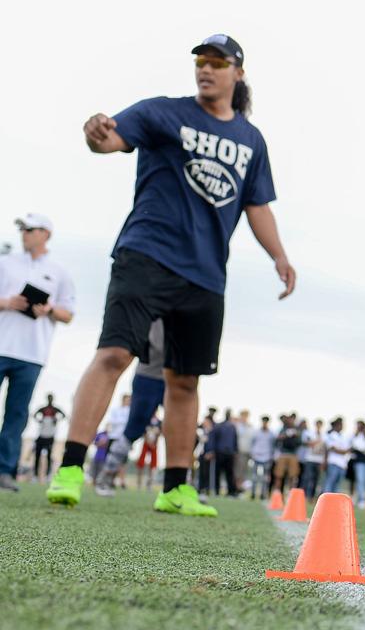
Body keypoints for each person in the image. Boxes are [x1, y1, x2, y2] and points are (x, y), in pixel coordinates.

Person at [45, 34, 295, 517]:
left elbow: (255, 204)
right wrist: (95, 133)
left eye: (218, 62)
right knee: (115, 352)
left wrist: (280, 257)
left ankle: (176, 487)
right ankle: (72, 467)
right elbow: (111, 138)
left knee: (185, 380)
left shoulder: (251, 139)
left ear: (237, 73)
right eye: (201, 61)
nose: (206, 69)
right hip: (147, 253)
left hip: (205, 274)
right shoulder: (163, 111)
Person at [0, 214, 76, 492]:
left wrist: (49, 309)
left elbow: (68, 313)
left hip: (32, 354)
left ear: (45, 234)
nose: (24, 235)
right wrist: (9, 302)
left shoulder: (60, 272)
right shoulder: (5, 263)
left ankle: (4, 470)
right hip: (1, 345)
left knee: (16, 414)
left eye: (30, 230)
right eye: (22, 230)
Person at [95, 320, 167, 496]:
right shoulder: (155, 304)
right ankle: (107, 474)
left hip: (179, 378)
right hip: (150, 374)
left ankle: (179, 484)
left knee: (180, 431)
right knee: (134, 428)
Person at [31, 394, 67, 484]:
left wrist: (56, 419)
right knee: (37, 456)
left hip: (50, 436)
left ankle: (48, 476)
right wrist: (39, 420)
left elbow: (64, 415)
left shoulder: (55, 410)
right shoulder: (43, 409)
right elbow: (34, 414)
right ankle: (35, 476)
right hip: (41, 435)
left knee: (49, 456)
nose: (50, 399)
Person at [273, 414, 303, 493]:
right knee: (279, 475)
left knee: (292, 477)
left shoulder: (298, 429)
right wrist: (286, 435)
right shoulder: (284, 428)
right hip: (283, 454)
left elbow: (300, 442)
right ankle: (277, 494)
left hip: (293, 454)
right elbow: (277, 439)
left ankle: (291, 495)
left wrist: (296, 435)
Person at [321, 417, 351, 495]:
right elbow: (333, 448)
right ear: (336, 425)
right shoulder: (331, 435)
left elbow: (348, 449)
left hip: (342, 464)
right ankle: (326, 500)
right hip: (333, 462)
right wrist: (344, 451)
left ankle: (333, 503)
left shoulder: (344, 436)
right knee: (329, 482)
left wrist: (344, 451)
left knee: (337, 485)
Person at [249, 415, 275, 500]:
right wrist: (252, 454)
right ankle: (253, 493)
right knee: (254, 477)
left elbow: (272, 446)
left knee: (265, 478)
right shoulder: (256, 432)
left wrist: (271, 456)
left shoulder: (271, 434)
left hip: (266, 457)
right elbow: (252, 444)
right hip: (256, 456)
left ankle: (263, 494)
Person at [350, 420, 365, 508]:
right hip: (358, 462)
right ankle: (360, 500)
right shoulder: (357, 437)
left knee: (363, 481)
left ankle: (360, 499)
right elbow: (357, 446)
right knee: (359, 480)